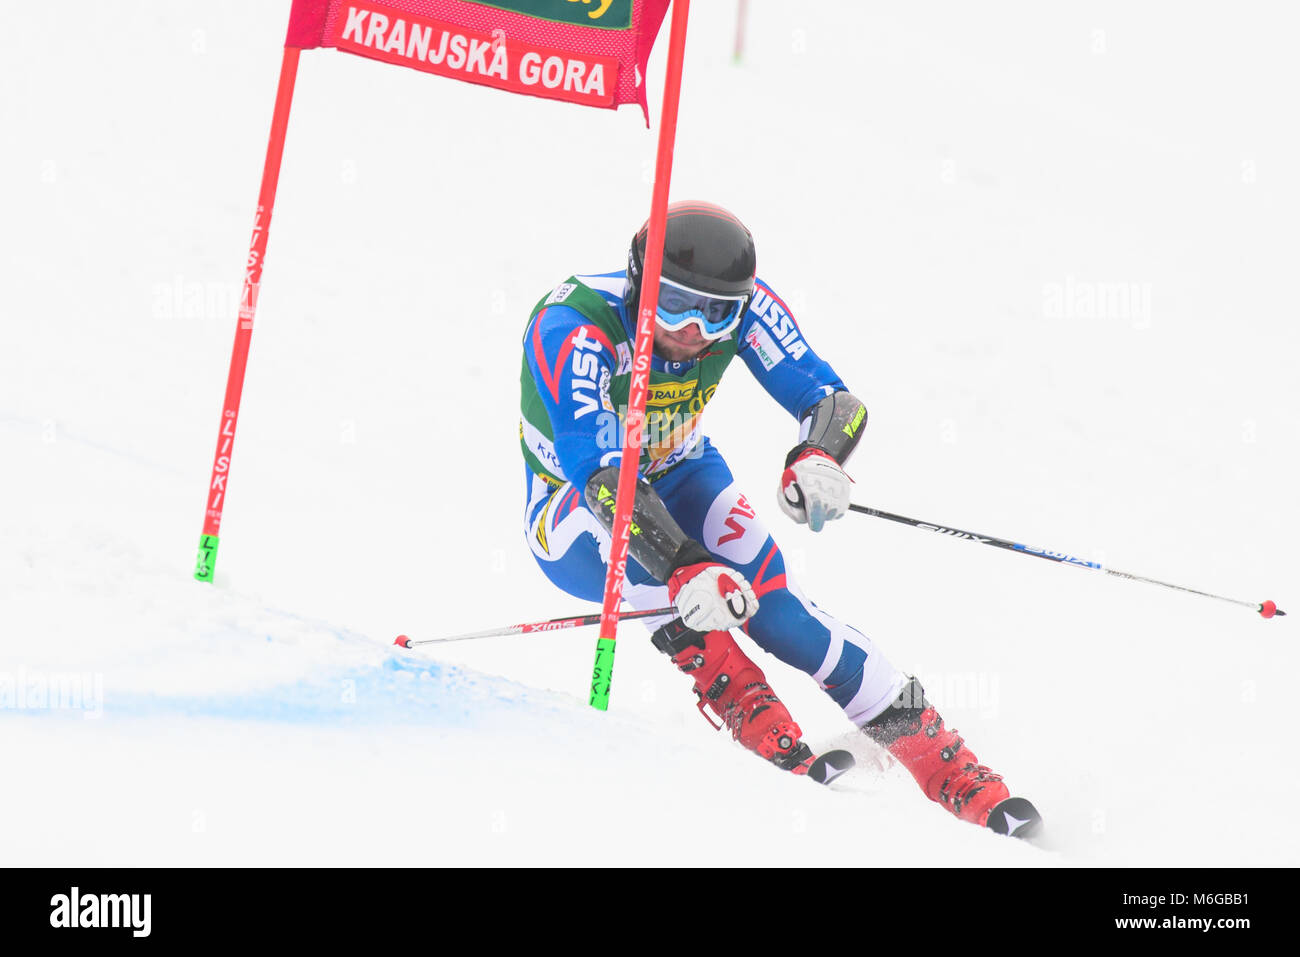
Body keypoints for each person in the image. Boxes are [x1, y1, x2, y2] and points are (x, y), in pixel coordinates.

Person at [518, 200, 1039, 837]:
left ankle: (940, 758)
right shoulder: (573, 325)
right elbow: (601, 474)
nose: (694, 329)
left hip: (682, 472)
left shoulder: (746, 309)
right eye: (675, 304)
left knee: (781, 613)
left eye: (718, 314)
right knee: (656, 571)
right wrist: (684, 569)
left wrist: (819, 455)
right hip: (573, 508)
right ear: (639, 285)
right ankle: (749, 707)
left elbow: (832, 399)